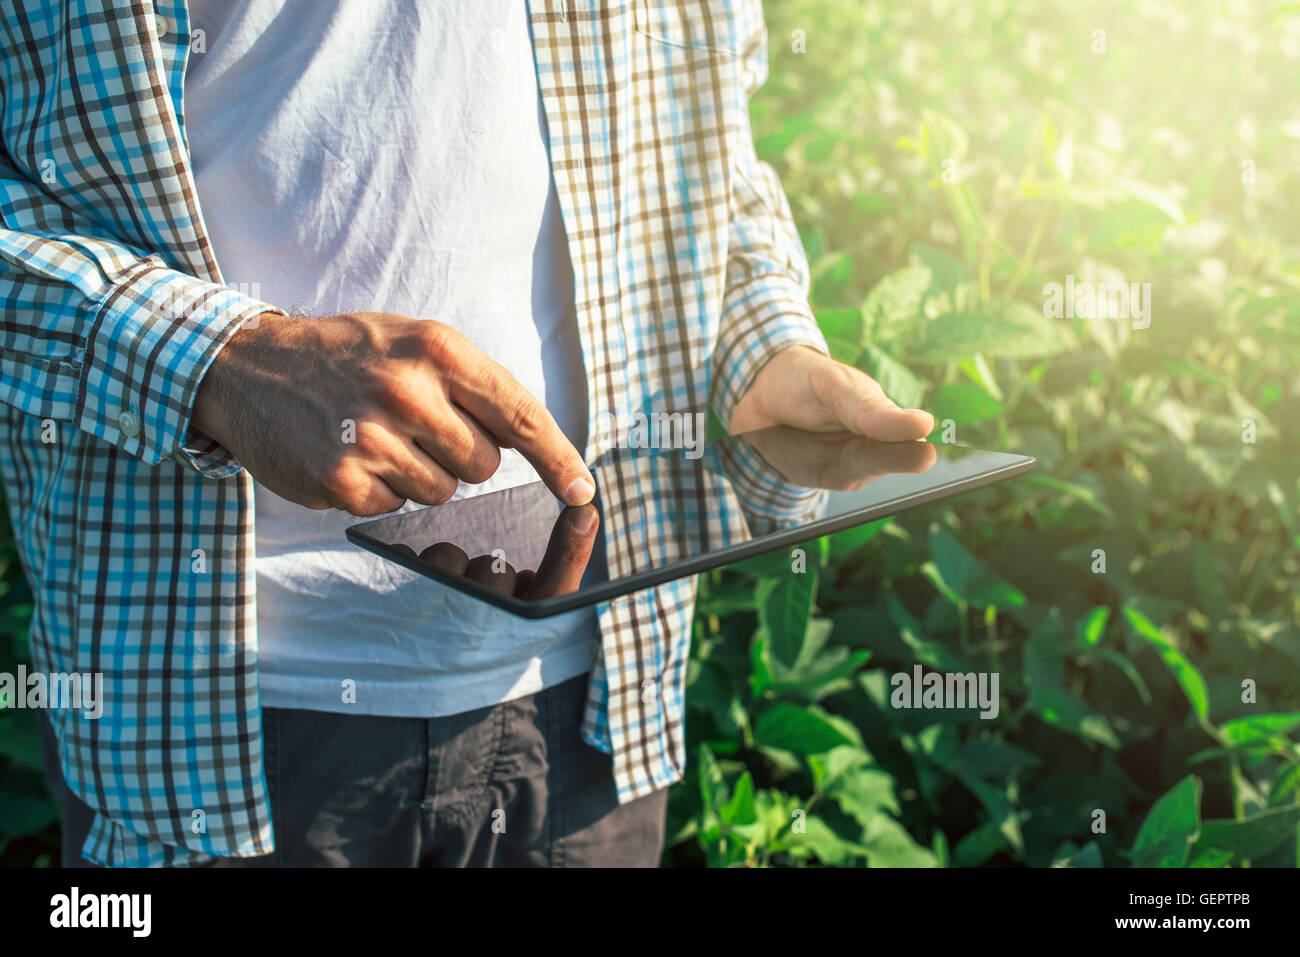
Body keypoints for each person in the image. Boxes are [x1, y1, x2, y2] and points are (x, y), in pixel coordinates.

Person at [1, 0, 933, 867]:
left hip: (597, 701)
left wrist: (760, 347)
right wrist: (217, 362)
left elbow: (705, 146)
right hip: (217, 728)